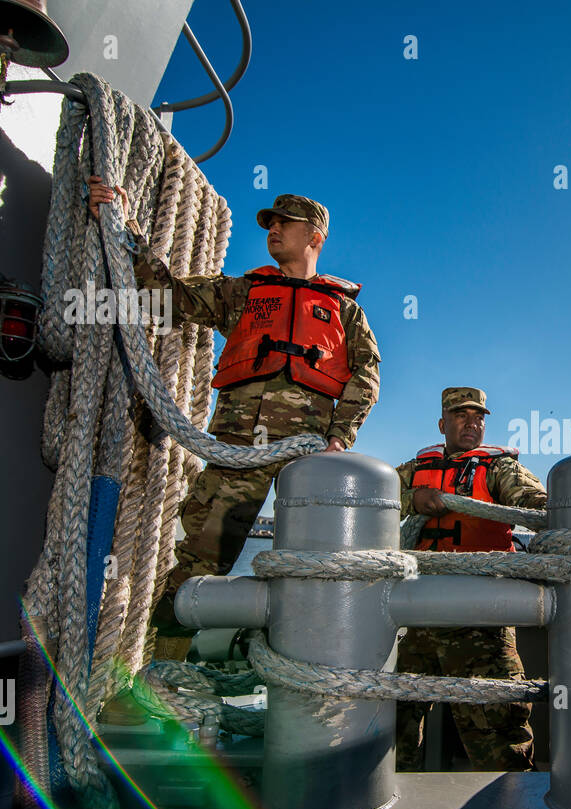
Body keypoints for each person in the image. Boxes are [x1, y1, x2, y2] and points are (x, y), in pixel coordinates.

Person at [88, 181, 381, 660]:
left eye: (287, 223)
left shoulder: (346, 312)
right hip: (239, 449)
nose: (275, 229)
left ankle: (302, 675)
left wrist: (337, 439)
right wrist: (124, 227)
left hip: (309, 457)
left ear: (316, 238)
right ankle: (158, 671)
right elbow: (169, 295)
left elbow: (365, 376)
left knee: (313, 563)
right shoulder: (243, 292)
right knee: (201, 558)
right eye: (270, 223)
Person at [393, 387, 547, 771]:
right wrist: (414, 498)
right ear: (443, 423)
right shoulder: (414, 470)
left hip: (481, 615)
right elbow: (373, 498)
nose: (472, 422)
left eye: (478, 416)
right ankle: (389, 803)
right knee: (393, 714)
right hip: (419, 612)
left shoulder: (499, 469)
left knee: (498, 721)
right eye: (461, 415)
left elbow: (536, 503)